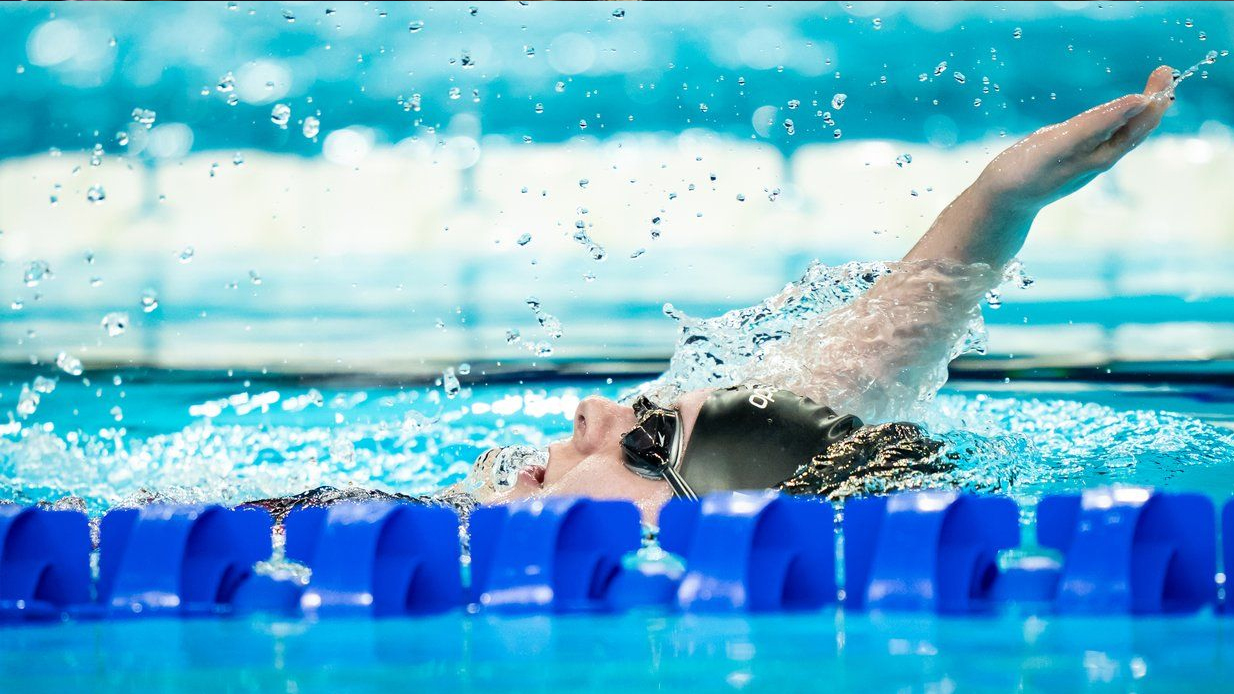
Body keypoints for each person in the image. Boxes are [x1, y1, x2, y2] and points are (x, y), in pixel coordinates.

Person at [251, 66, 1177, 525]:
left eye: (649, 444)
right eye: (642, 417)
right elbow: (851, 382)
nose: (589, 410)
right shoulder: (402, 522)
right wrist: (1001, 197)